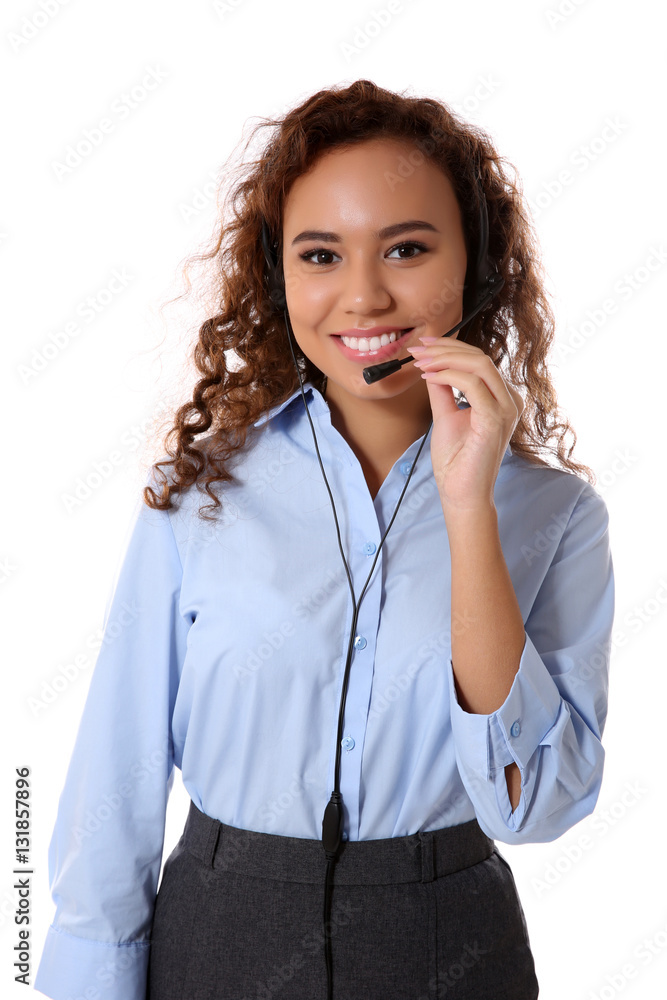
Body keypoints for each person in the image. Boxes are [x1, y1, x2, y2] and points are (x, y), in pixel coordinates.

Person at [34, 79, 614, 1000]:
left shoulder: (552, 517)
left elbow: (532, 805)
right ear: (279, 276)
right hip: (217, 933)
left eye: (407, 249)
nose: (363, 296)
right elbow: (118, 767)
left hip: (446, 942)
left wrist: (469, 511)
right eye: (319, 255)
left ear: (479, 264)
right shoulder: (199, 493)